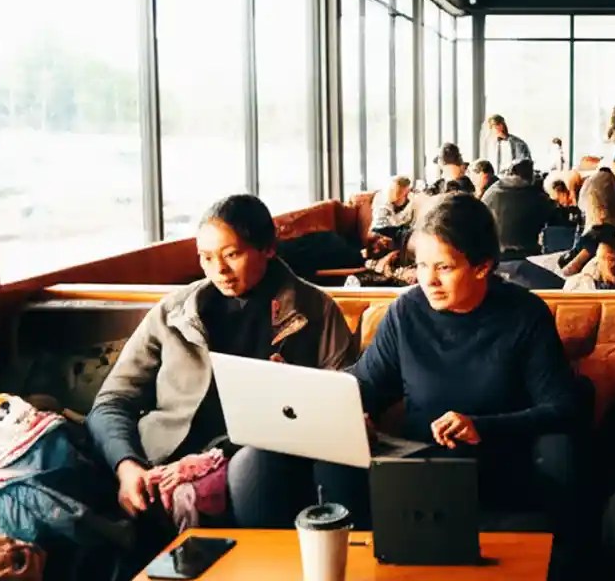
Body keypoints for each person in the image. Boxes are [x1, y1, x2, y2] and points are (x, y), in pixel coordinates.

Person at [85, 195, 359, 540]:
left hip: (259, 456)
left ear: (268, 249)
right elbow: (111, 401)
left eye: (232, 255)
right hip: (159, 458)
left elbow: (345, 402)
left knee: (258, 466)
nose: (219, 270)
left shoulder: (314, 311)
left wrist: (293, 391)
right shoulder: (175, 312)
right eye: (207, 258)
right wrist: (127, 465)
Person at [345, 193, 588, 580]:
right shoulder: (407, 312)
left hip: (506, 461)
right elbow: (367, 383)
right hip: (422, 466)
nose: (428, 280)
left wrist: (481, 426)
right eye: (421, 265)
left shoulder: (523, 315)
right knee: (331, 455)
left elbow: (561, 406)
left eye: (444, 267)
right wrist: (331, 403)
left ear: (482, 267)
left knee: (561, 451)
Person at [482, 158, 555, 260]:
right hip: (528, 255)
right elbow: (551, 219)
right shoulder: (535, 196)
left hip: (496, 253)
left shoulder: (491, 192)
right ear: (530, 175)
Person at [369, 175, 415, 245]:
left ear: (407, 190)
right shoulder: (382, 199)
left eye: (400, 191)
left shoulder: (411, 198)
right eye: (394, 189)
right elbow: (393, 222)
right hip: (381, 229)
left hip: (396, 229)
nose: (395, 193)